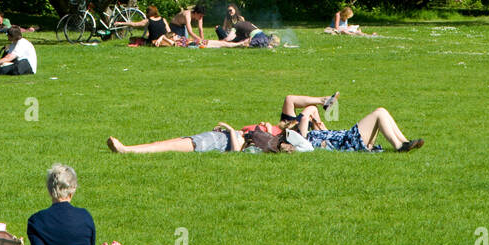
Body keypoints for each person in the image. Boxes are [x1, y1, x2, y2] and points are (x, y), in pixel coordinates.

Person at [106, 95, 338, 154]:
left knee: (179, 144)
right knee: (179, 142)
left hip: (226, 139)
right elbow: (296, 103)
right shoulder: (282, 128)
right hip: (225, 137)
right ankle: (130, 149)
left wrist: (317, 121)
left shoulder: (287, 138)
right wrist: (321, 104)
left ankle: (128, 150)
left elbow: (308, 113)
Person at [295, 100, 424, 153]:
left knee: (382, 110)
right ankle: (399, 146)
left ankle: (404, 142)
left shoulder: (321, 132)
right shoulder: (306, 138)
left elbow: (312, 112)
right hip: (349, 140)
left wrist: (317, 121)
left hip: (349, 138)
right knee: (379, 114)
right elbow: (307, 114)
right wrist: (311, 114)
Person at [213, 6, 278, 48]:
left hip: (239, 35)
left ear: (235, 10)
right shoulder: (227, 19)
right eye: (228, 11)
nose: (229, 12)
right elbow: (224, 29)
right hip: (230, 34)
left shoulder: (240, 20)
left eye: (231, 10)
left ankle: (268, 43)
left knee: (244, 44)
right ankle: (268, 43)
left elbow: (245, 30)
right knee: (218, 28)